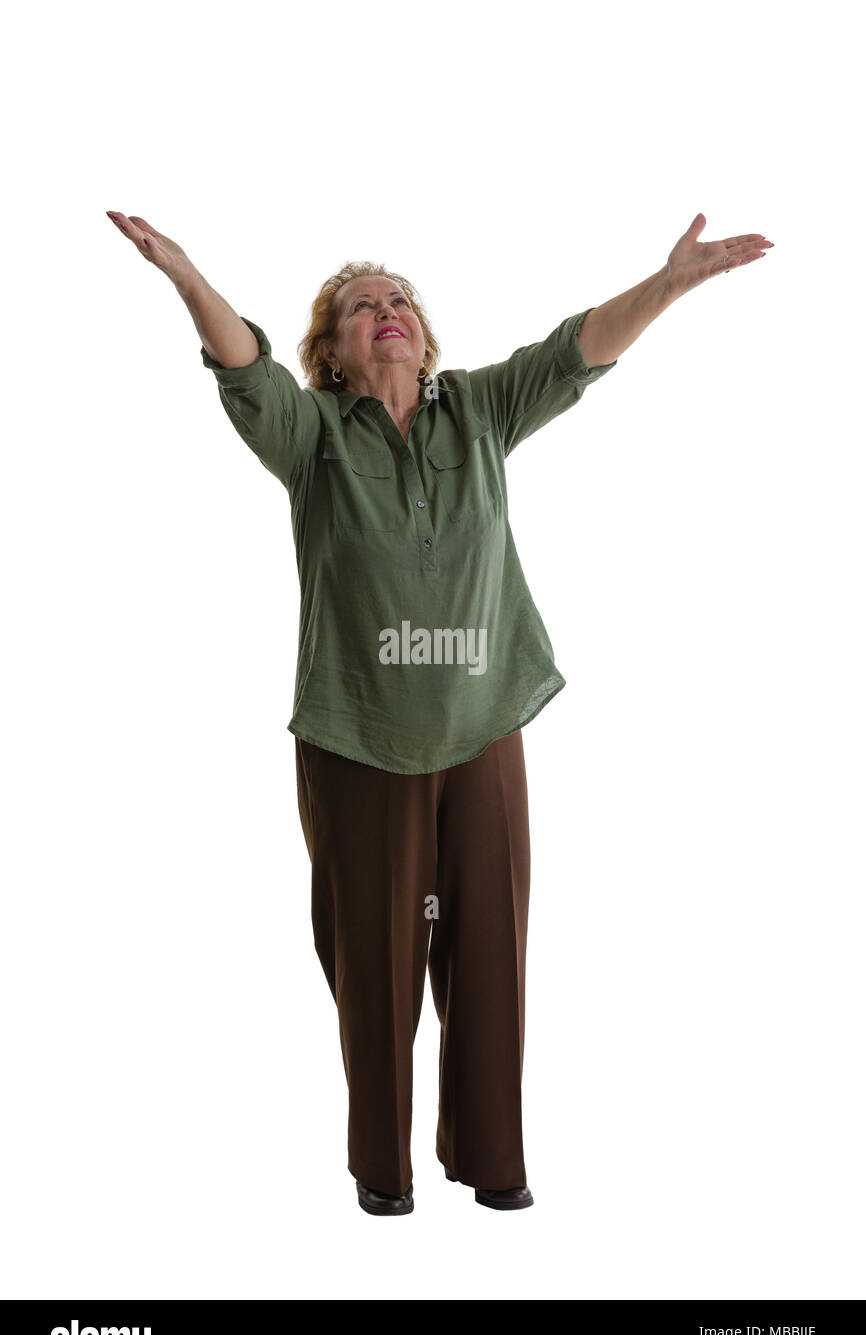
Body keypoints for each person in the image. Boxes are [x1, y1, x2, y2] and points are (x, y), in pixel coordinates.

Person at [106, 210, 773, 1216]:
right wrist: (186, 276)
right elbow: (246, 373)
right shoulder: (314, 436)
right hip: (358, 737)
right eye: (361, 306)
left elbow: (571, 352)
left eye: (399, 299)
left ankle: (492, 1163)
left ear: (422, 333)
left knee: (491, 958)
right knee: (376, 967)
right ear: (327, 354)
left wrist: (669, 282)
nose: (387, 311)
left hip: (482, 724)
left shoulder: (478, 412)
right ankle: (384, 1172)